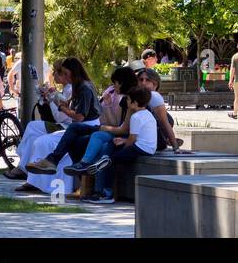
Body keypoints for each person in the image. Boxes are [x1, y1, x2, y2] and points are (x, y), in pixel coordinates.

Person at [14, 57, 103, 191]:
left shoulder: (84, 88)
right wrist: (56, 99)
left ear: (74, 72)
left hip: (86, 126)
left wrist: (61, 107)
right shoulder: (80, 86)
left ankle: (48, 166)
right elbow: (71, 104)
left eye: (67, 74)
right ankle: (35, 178)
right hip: (80, 126)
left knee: (43, 141)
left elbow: (79, 116)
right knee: (40, 140)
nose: (66, 77)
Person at [65, 86, 157, 204]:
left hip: (140, 148)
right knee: (108, 157)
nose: (127, 102)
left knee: (109, 161)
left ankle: (106, 194)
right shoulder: (148, 114)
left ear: (135, 103)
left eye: (128, 100)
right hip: (148, 148)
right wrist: (122, 141)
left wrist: (122, 146)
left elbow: (132, 140)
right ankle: (97, 178)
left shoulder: (136, 117)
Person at [135, 68, 183, 150]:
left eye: (147, 80)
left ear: (155, 83)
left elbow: (165, 123)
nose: (143, 83)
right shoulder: (148, 96)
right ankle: (166, 140)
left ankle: (166, 139)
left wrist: (175, 147)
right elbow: (165, 123)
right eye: (141, 80)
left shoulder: (153, 96)